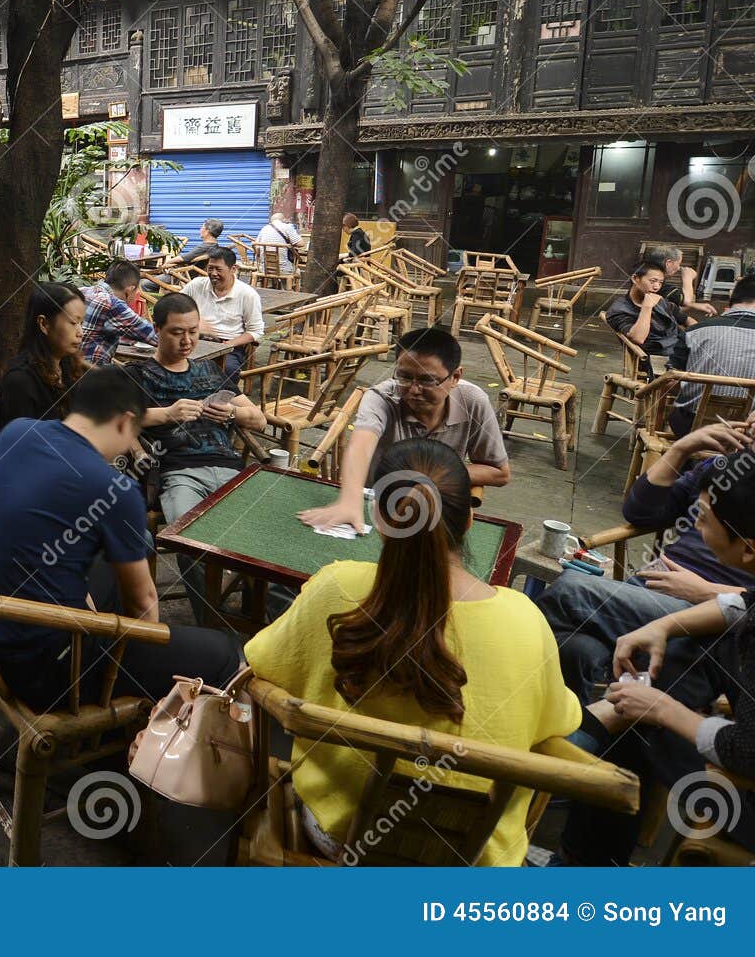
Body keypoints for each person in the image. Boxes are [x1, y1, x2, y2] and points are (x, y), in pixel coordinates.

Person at [245, 439, 581, 866]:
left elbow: (261, 665)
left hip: (345, 838)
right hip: (477, 859)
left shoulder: (339, 588)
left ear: (380, 519)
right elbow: (558, 721)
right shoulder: (527, 620)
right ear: (471, 519)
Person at [0, 366, 241, 712]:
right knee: (223, 652)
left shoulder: (17, 433)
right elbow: (144, 605)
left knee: (116, 557)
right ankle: (154, 726)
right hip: (46, 672)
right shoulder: (114, 489)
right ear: (126, 422)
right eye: (133, 433)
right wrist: (149, 654)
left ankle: (119, 651)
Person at [556, 450, 755, 865]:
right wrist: (662, 627)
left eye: (703, 518)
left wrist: (663, 709)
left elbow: (747, 752)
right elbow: (746, 605)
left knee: (644, 713)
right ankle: (585, 855)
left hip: (744, 796)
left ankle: (565, 761)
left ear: (748, 550)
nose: (695, 525)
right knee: (630, 671)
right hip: (717, 704)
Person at [537, 419, 755, 706]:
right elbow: (639, 513)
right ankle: (574, 730)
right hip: (647, 592)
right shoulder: (722, 470)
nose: (750, 426)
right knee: (578, 649)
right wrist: (680, 449)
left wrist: (708, 591)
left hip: (712, 612)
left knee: (571, 590)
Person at [123, 292, 265, 624]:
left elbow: (258, 419)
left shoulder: (210, 371)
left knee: (265, 536)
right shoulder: (137, 374)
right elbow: (115, 420)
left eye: (193, 331)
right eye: (177, 332)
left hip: (231, 468)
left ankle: (261, 615)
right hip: (178, 472)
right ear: (156, 329)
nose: (187, 340)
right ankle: (214, 627)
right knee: (192, 543)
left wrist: (230, 412)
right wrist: (167, 413)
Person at [299, 326, 511, 532]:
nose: (413, 389)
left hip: (436, 508)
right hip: (379, 502)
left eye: (427, 380)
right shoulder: (382, 398)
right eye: (405, 376)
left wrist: (425, 476)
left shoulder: (472, 401)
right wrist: (349, 502)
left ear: (455, 377)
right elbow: (360, 445)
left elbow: (499, 473)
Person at [669, 272, 755, 435]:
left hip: (691, 427)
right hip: (747, 433)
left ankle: (683, 456)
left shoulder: (695, 332)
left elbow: (671, 381)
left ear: (733, 298)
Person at [0, 282, 86, 430]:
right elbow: (23, 446)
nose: (80, 332)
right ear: (44, 324)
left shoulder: (67, 365)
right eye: (73, 322)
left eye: (81, 323)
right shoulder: (20, 381)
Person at [179, 246, 265, 382]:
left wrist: (227, 345)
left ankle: (222, 402)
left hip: (228, 346)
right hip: (195, 340)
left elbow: (255, 331)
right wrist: (193, 323)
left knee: (228, 370)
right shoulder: (196, 285)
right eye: (210, 268)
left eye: (218, 269)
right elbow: (175, 306)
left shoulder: (247, 294)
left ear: (233, 269)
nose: (213, 273)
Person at [605, 259, 689, 371]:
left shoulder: (661, 301)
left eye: (660, 282)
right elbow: (638, 338)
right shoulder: (619, 310)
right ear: (635, 278)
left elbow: (687, 319)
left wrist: (697, 336)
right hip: (656, 359)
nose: (656, 287)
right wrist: (647, 307)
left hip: (681, 351)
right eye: (653, 281)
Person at [79, 261, 157, 366]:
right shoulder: (112, 304)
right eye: (137, 291)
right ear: (130, 290)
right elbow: (153, 335)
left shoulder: (82, 291)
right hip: (90, 374)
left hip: (68, 367)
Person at [646, 245, 716, 320]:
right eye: (678, 263)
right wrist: (688, 278)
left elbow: (669, 307)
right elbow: (687, 300)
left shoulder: (645, 275)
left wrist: (694, 305)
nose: (679, 268)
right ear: (668, 263)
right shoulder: (660, 286)